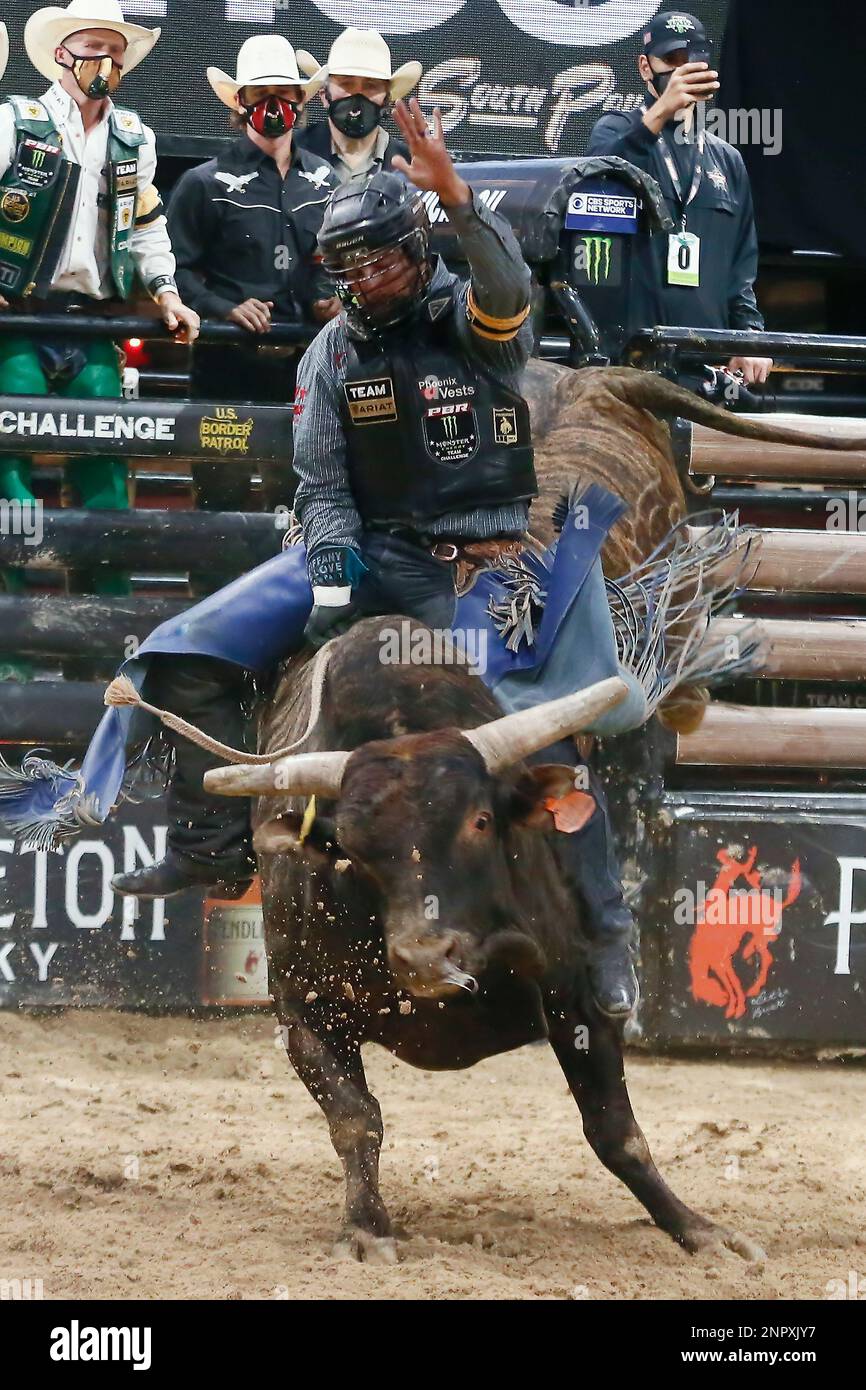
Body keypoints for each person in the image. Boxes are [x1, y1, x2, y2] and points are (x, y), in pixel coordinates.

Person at [110, 100, 638, 1019]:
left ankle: (602, 935)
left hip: (489, 560)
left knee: (545, 740)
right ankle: (212, 840)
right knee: (181, 651)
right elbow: (320, 486)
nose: (368, 276)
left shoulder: (469, 324)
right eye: (349, 265)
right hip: (374, 549)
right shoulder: (327, 355)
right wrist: (330, 584)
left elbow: (510, 297)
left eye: (384, 257)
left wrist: (460, 200)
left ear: (418, 251)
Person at [0, 0, 198, 653]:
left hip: (93, 323)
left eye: (113, 51)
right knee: (9, 477)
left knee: (107, 475)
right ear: (61, 55)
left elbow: (147, 227)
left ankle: (104, 643)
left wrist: (167, 293)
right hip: (20, 318)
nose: (104, 61)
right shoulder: (16, 123)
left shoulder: (134, 137)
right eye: (91, 47)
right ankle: (14, 651)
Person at [166, 34, 340, 546]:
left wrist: (326, 296)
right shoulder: (205, 182)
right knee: (222, 501)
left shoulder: (326, 183)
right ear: (240, 103)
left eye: (285, 94)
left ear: (301, 101)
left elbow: (331, 265)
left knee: (303, 498)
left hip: (304, 371)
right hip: (226, 368)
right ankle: (210, 611)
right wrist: (223, 307)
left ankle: (296, 615)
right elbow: (173, 270)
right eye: (260, 94)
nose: (274, 106)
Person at [588, 10, 773, 389]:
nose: (683, 71)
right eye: (671, 61)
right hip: (627, 362)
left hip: (704, 365)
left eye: (692, 61)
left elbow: (741, 269)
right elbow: (605, 178)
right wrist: (662, 111)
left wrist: (749, 335)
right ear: (645, 68)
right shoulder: (615, 131)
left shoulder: (727, 159)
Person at [294, 27, 418, 185]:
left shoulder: (410, 166)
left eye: (371, 86)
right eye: (346, 83)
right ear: (324, 95)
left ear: (387, 101)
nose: (357, 95)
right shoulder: (290, 154)